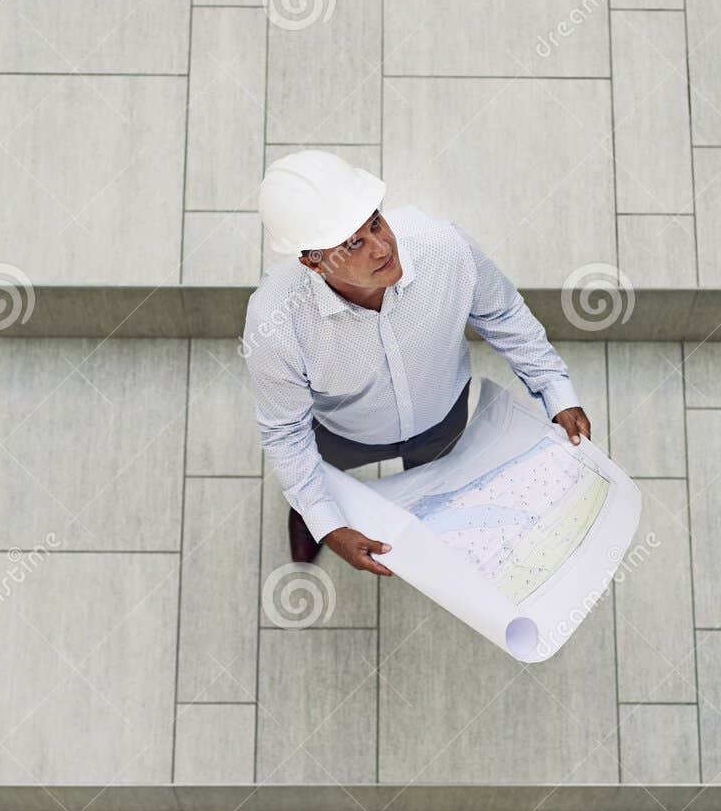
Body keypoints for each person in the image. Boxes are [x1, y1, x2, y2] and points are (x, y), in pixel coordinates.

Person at [243, 150, 592, 576]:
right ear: (312, 261)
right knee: (324, 484)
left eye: (375, 223)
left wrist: (556, 390)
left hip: (442, 414)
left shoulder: (445, 249)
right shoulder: (276, 322)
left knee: (436, 484)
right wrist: (328, 524)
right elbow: (286, 433)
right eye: (354, 243)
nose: (382, 248)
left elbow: (503, 315)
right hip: (340, 434)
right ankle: (307, 515)